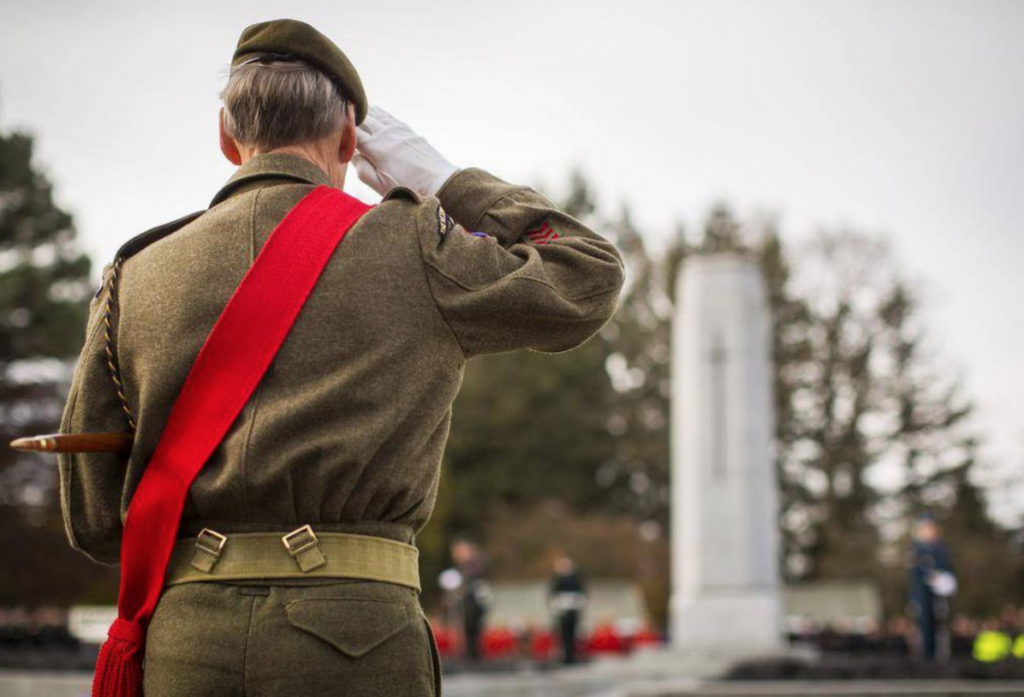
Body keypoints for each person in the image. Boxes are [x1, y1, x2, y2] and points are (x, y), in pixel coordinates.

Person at [56, 18, 624, 697]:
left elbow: (93, 516)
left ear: (226, 136)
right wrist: (447, 180)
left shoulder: (137, 272)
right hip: (357, 640)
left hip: (186, 644)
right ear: (350, 140)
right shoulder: (414, 245)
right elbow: (586, 275)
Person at [907, 513, 957, 662]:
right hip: (922, 593)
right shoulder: (916, 549)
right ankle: (926, 654)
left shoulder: (941, 548)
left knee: (940, 621)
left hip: (939, 592)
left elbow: (948, 568)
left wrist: (941, 578)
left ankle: (941, 654)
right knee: (924, 622)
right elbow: (914, 574)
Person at [447, 538, 491, 663]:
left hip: (473, 603)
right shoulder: (462, 567)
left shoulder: (474, 564)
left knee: (473, 630)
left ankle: (474, 656)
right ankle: (469, 655)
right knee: (466, 630)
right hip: (465, 602)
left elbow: (474, 581)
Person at [548, 552, 587, 664]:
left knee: (573, 634)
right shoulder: (557, 578)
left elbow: (582, 592)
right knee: (562, 634)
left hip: (573, 609)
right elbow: (552, 594)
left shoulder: (576, 577)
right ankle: (564, 655)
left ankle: (573, 655)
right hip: (562, 610)